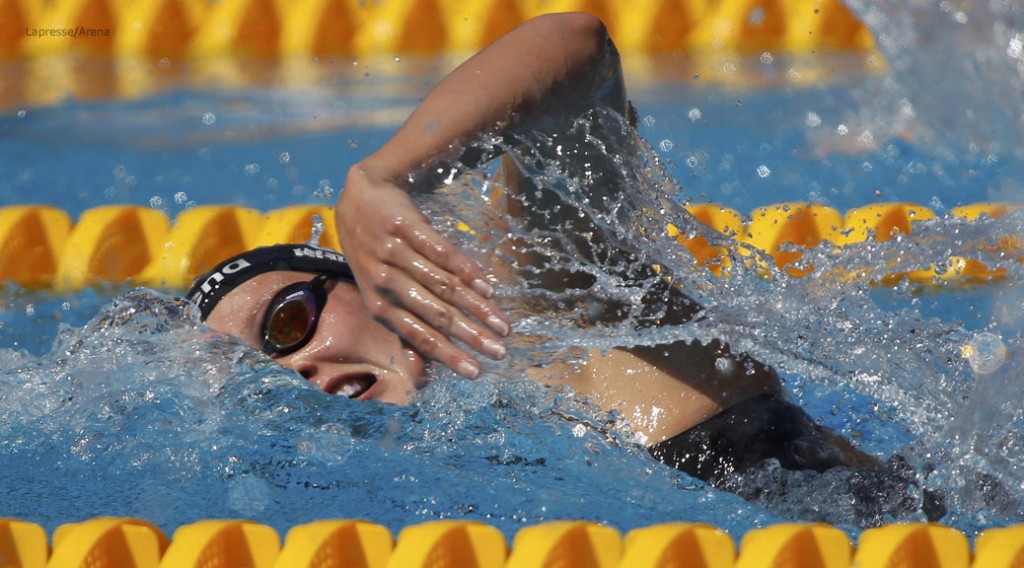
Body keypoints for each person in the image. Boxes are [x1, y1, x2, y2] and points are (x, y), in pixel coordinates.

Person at [188, 13, 890, 493]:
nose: (297, 366)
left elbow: (576, 51)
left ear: (375, 279)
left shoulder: (557, 317)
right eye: (263, 374)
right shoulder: (442, 479)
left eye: (286, 323)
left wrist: (382, 176)